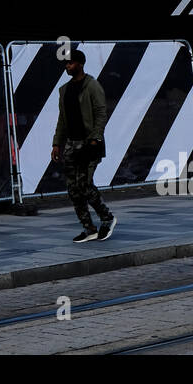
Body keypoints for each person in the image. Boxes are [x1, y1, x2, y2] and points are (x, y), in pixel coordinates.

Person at [51, 50, 115, 242]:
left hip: (89, 144)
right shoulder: (64, 90)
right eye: (66, 64)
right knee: (73, 189)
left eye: (70, 63)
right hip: (71, 145)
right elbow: (62, 119)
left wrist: (95, 139)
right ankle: (89, 228)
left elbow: (101, 114)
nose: (67, 66)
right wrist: (56, 143)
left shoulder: (92, 86)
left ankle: (107, 218)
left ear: (80, 64)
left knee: (85, 184)